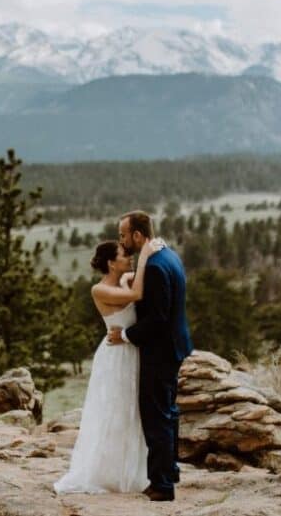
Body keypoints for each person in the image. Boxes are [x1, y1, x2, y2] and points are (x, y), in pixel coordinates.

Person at [53, 236, 164, 494]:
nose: (129, 257)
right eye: (124, 255)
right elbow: (136, 293)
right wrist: (146, 255)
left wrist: (156, 254)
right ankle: (108, 472)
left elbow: (139, 280)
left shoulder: (124, 279)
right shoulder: (99, 289)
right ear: (112, 264)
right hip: (115, 356)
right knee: (115, 410)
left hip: (130, 350)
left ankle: (133, 470)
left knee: (133, 411)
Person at [107, 210, 193, 502]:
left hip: (160, 350)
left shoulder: (155, 266)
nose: (121, 240)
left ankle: (162, 485)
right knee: (168, 411)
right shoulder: (168, 255)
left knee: (155, 415)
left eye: (123, 234)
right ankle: (170, 470)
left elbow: (157, 318)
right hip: (174, 346)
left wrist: (127, 336)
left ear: (138, 236)